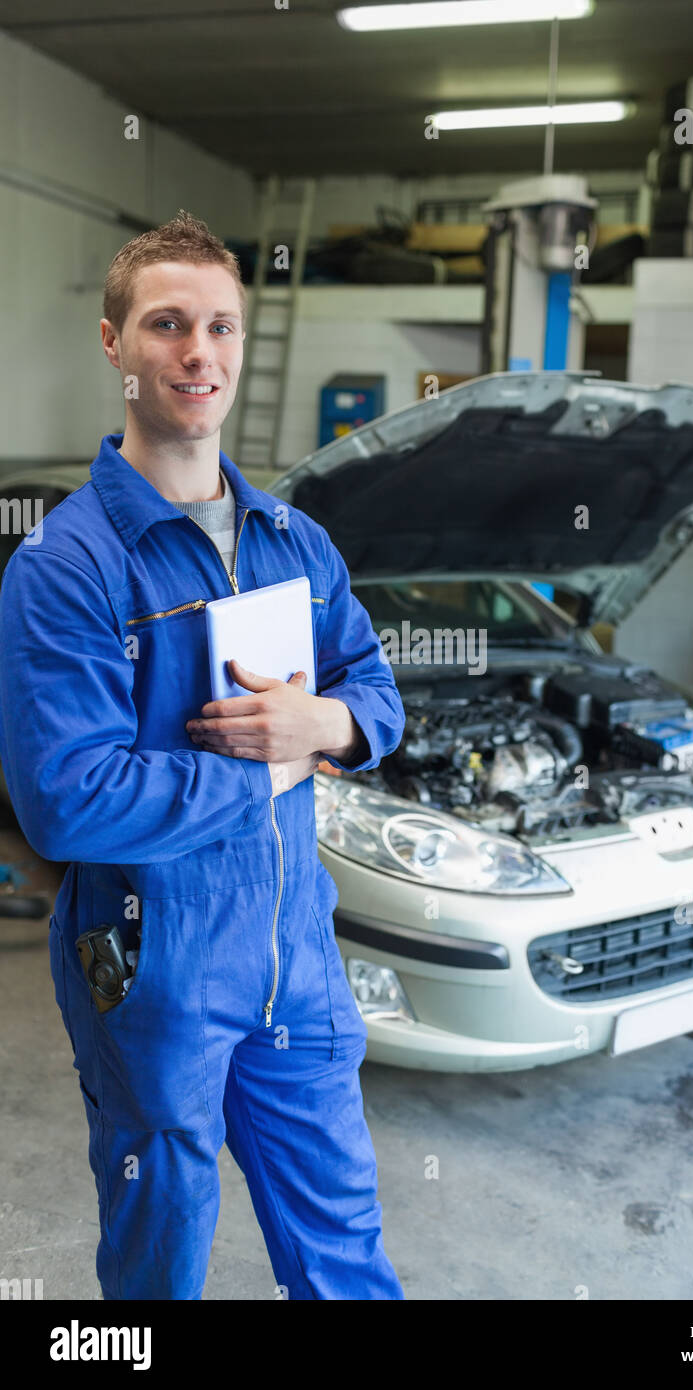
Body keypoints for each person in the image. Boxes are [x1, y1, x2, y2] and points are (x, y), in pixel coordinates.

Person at [0, 210, 407, 1301]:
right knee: (160, 1262)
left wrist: (324, 725)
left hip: (297, 964)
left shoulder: (294, 539)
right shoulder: (66, 565)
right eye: (168, 324)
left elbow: (374, 688)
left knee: (344, 1253)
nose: (199, 353)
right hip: (155, 975)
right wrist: (268, 767)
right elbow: (68, 804)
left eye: (221, 326)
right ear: (112, 343)